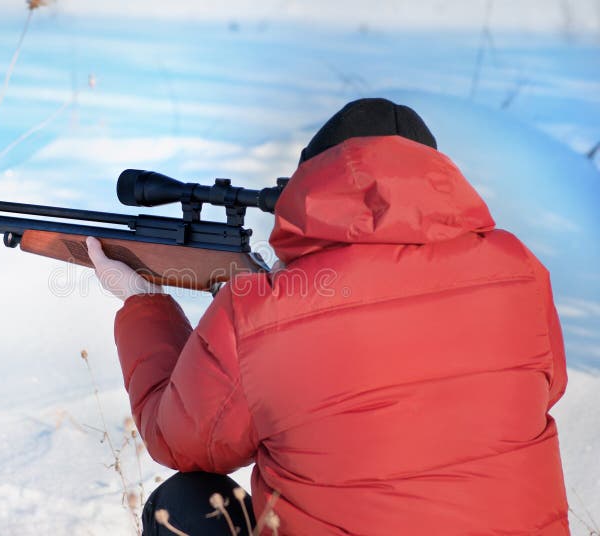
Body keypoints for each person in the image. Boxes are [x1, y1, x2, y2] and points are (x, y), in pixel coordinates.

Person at [86, 98, 570, 535]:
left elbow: (178, 440)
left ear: (310, 188)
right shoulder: (520, 269)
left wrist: (141, 300)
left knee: (189, 505)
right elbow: (546, 386)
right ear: (438, 176)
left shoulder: (265, 310)